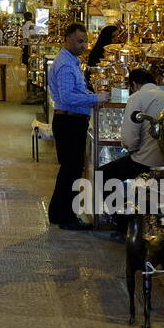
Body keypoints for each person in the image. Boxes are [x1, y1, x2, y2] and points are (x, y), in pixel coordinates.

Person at [46, 22, 108, 229]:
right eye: (80, 41)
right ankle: (66, 217)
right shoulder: (65, 64)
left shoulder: (72, 61)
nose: (84, 46)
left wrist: (91, 96)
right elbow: (67, 96)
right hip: (69, 122)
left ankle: (57, 213)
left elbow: (76, 92)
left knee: (70, 169)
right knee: (71, 170)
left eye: (86, 42)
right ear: (68, 38)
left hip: (72, 121)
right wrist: (95, 98)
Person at [102, 69, 164, 184]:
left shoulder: (137, 97)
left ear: (133, 84)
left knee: (102, 175)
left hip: (145, 161)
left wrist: (130, 148)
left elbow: (130, 139)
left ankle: (119, 202)